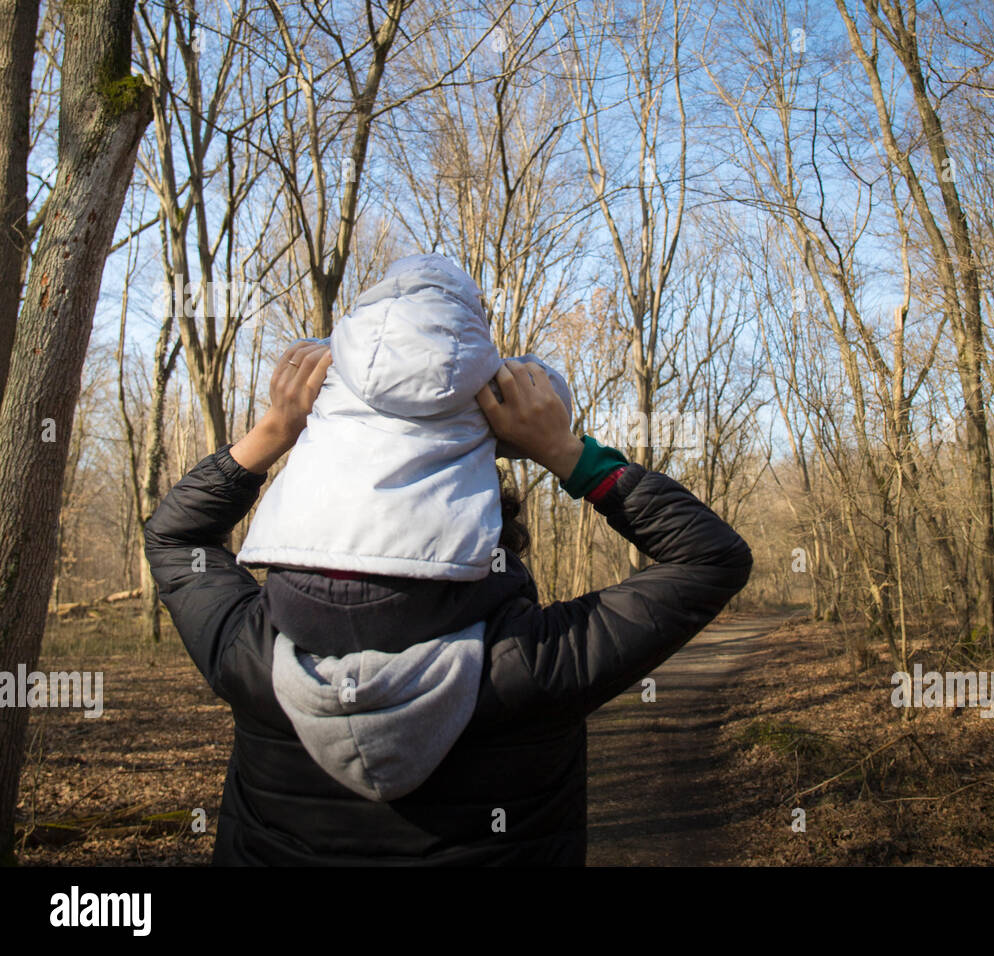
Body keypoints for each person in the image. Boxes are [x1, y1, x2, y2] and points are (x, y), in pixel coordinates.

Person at [143, 255, 753, 865]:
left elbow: (174, 537)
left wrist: (273, 431)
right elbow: (709, 557)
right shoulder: (537, 666)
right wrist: (568, 452)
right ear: (486, 518)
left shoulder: (253, 654)